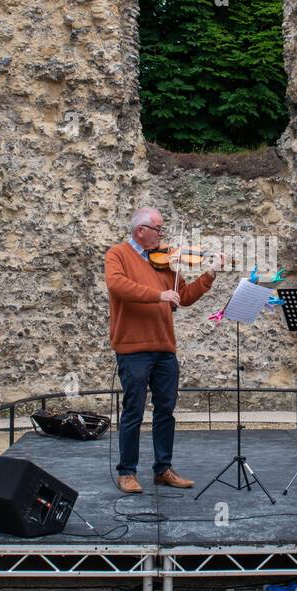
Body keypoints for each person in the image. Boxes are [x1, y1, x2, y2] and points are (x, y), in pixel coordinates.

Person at [103, 207, 219, 494]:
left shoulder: (164, 264)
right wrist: (159, 295)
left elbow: (185, 296)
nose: (163, 235)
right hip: (133, 348)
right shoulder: (117, 254)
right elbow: (118, 286)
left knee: (166, 410)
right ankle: (127, 472)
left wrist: (209, 274)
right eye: (159, 229)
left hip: (165, 347)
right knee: (133, 410)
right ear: (141, 230)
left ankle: (162, 469)